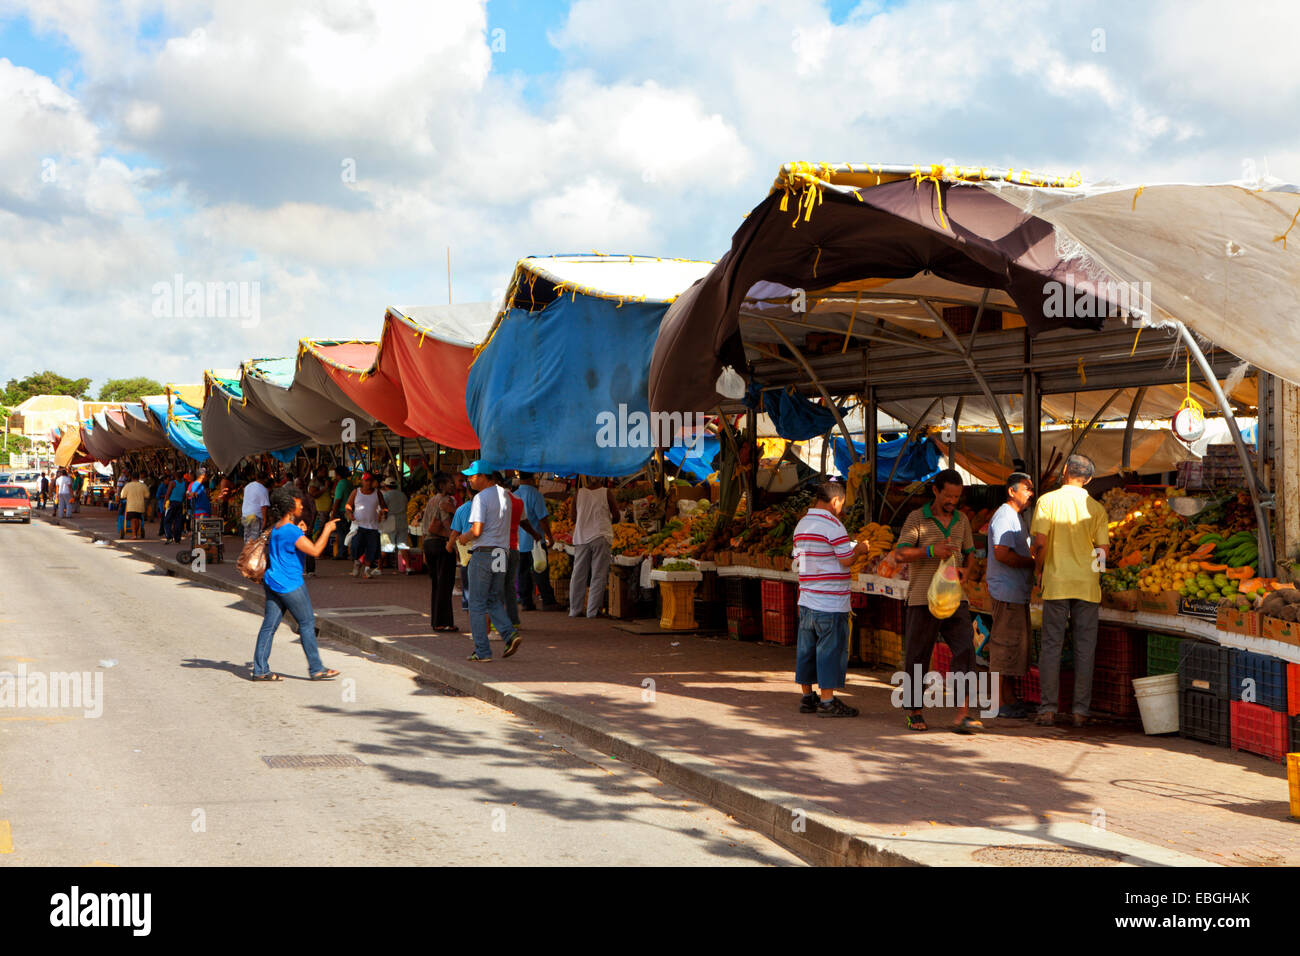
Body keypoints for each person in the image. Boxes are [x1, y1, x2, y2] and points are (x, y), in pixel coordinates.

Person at [893, 469, 980, 733]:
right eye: (948, 495)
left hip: (955, 599)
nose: (952, 501)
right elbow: (899, 555)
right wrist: (931, 550)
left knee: (966, 650)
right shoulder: (917, 519)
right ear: (935, 491)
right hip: (922, 598)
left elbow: (970, 554)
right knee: (918, 655)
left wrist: (967, 570)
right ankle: (914, 711)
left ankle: (963, 713)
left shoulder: (962, 520)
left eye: (957, 496)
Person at [1030, 454, 1109, 728]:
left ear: (1064, 472)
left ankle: (1049, 709)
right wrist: (1097, 575)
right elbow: (1102, 551)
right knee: (1085, 649)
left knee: (1051, 646)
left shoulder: (1047, 501)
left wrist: (1038, 571)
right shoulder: (1096, 508)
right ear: (1088, 479)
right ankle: (1080, 712)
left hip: (1057, 581)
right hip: (1087, 585)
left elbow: (1039, 543)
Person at [791, 482, 871, 718]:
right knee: (829, 651)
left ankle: (807, 698)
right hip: (830, 602)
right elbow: (846, 559)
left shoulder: (801, 525)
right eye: (842, 504)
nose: (841, 509)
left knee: (806, 650)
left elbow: (799, 561)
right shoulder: (834, 525)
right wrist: (861, 549)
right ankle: (827, 701)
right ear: (835, 501)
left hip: (806, 599)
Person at [250, 484, 341, 682]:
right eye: (298, 502)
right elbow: (315, 551)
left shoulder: (278, 528)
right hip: (290, 584)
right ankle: (316, 668)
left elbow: (294, 547)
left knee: (269, 626)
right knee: (307, 622)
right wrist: (327, 529)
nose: (302, 505)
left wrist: (301, 533)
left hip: (273, 581)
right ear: (290, 506)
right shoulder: (291, 531)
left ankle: (260, 669)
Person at [985, 472, 1037, 719]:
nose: (1030, 493)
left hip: (1015, 592)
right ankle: (997, 702)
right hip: (1006, 592)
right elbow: (1002, 553)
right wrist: (1030, 563)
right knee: (1003, 647)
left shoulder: (1016, 516)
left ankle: (1008, 699)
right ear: (1011, 491)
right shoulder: (1005, 516)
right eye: (1026, 489)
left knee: (1011, 648)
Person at [460, 463, 521, 662]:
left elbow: (477, 530)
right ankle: (509, 633)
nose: (469, 480)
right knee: (493, 598)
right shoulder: (506, 496)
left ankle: (482, 651)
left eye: (472, 476)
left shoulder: (480, 498)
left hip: (484, 552)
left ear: (484, 477)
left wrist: (464, 537)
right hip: (502, 552)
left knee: (476, 603)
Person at [570, 476, 619, 618]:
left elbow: (573, 518)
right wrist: (607, 518)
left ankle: (575, 610)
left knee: (578, 574)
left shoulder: (579, 493)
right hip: (601, 535)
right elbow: (616, 516)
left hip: (581, 537)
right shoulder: (606, 492)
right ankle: (592, 611)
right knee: (598, 575)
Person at [515, 472, 559, 611]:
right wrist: (549, 537)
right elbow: (542, 519)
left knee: (522, 573)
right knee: (541, 571)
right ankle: (548, 601)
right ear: (531, 478)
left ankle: (526, 602)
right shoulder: (535, 494)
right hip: (535, 541)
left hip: (519, 542)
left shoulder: (514, 495)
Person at [421, 473, 459, 631]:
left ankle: (437, 621)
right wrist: (454, 542)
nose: (454, 485)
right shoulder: (445, 501)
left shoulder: (431, 500)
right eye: (451, 483)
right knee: (445, 583)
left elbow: (424, 526)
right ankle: (444, 622)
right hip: (441, 545)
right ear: (442, 485)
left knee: (437, 584)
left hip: (429, 544)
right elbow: (447, 524)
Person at [345, 471, 387, 577]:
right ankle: (357, 562)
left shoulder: (377, 493)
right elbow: (348, 505)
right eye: (366, 481)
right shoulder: (356, 492)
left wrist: (383, 512)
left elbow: (384, 506)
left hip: (373, 526)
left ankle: (367, 569)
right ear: (362, 481)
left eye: (370, 481)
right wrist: (349, 513)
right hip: (358, 525)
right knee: (355, 545)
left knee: (372, 548)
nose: (368, 483)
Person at [448, 493, 473, 611]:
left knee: (468, 587)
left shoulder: (461, 509)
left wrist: (449, 545)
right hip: (487, 552)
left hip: (466, 554)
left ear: (468, 493)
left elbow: (455, 532)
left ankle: (472, 618)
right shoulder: (492, 507)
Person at [379, 475, 409, 567]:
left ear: (386, 486)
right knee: (403, 545)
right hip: (402, 521)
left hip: (390, 521)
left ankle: (379, 567)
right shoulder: (403, 495)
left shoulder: (385, 496)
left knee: (386, 546)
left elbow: (382, 509)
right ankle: (408, 567)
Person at [329, 466, 353, 558]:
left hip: (341, 511)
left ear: (338, 474)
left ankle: (341, 553)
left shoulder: (341, 484)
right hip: (349, 511)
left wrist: (333, 514)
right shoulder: (349, 483)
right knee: (347, 532)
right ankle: (347, 552)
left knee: (341, 533)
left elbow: (338, 500)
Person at [241, 473, 270, 542]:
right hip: (255, 516)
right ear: (265, 480)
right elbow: (264, 506)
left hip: (245, 515)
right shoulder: (263, 489)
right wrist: (265, 520)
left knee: (247, 538)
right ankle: (251, 552)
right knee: (254, 539)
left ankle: (247, 552)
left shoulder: (248, 486)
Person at [122, 473, 150, 540]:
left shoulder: (127, 485)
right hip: (140, 505)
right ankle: (136, 534)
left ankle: (134, 535)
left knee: (133, 520)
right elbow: (147, 495)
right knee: (137, 519)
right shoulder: (143, 485)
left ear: (131, 477)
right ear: (139, 477)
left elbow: (122, 495)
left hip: (131, 505)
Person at [164, 471, 186, 542]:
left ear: (175, 476)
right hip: (180, 503)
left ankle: (169, 537)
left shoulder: (172, 483)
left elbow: (168, 493)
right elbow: (184, 495)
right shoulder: (184, 483)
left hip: (172, 503)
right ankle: (177, 538)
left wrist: (165, 503)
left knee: (167, 520)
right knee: (178, 521)